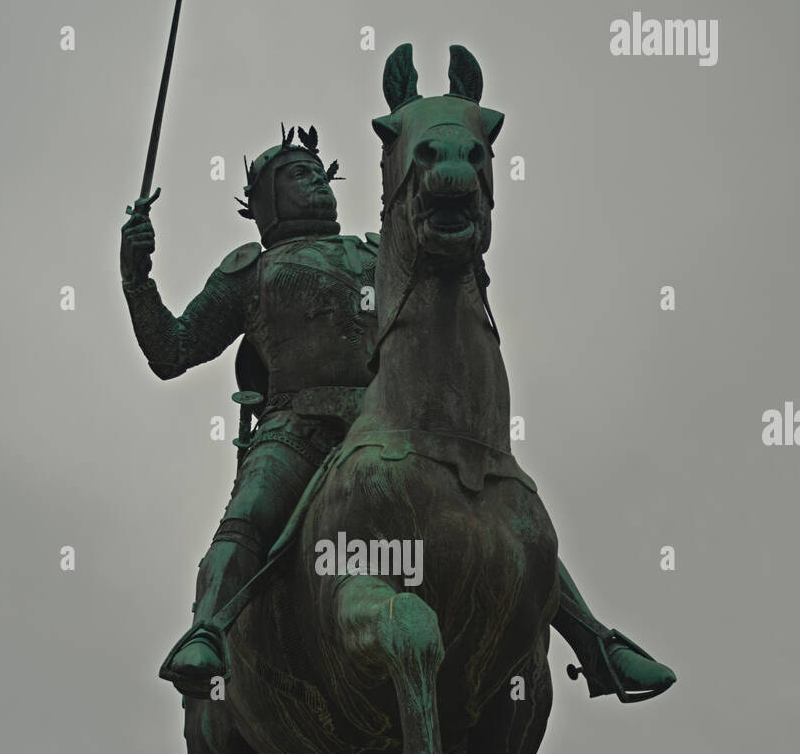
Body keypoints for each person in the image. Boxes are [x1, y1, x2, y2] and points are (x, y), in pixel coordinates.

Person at [121, 125, 675, 705]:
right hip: (298, 427)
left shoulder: (379, 252)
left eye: (321, 174)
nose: (318, 184)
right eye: (299, 176)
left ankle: (595, 643)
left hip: (394, 421)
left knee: (505, 512)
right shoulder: (251, 270)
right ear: (264, 201)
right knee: (250, 515)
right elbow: (172, 350)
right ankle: (207, 631)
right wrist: (138, 277)